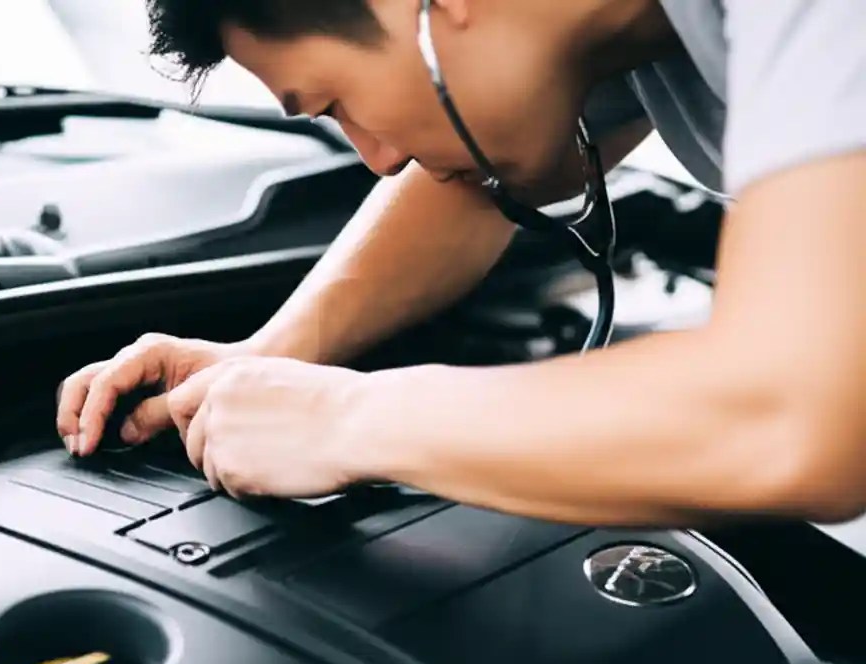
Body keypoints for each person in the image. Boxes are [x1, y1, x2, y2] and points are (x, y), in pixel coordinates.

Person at [55, 0, 866, 527]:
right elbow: (470, 184)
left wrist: (347, 420)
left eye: (334, 102)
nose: (375, 157)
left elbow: (797, 418)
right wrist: (260, 362)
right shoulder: (622, 31)